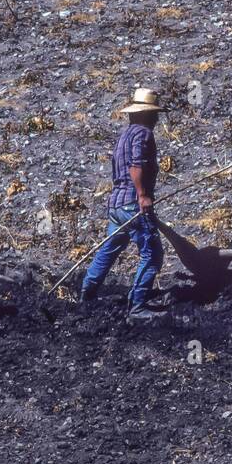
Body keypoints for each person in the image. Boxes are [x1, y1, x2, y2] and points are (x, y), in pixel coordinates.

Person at [80, 87, 169, 318]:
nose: (157, 118)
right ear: (147, 114)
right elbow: (136, 165)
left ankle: (86, 293)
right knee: (152, 254)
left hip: (117, 205)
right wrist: (143, 195)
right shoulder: (143, 134)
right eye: (154, 114)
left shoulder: (125, 135)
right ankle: (137, 305)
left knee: (107, 251)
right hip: (133, 205)